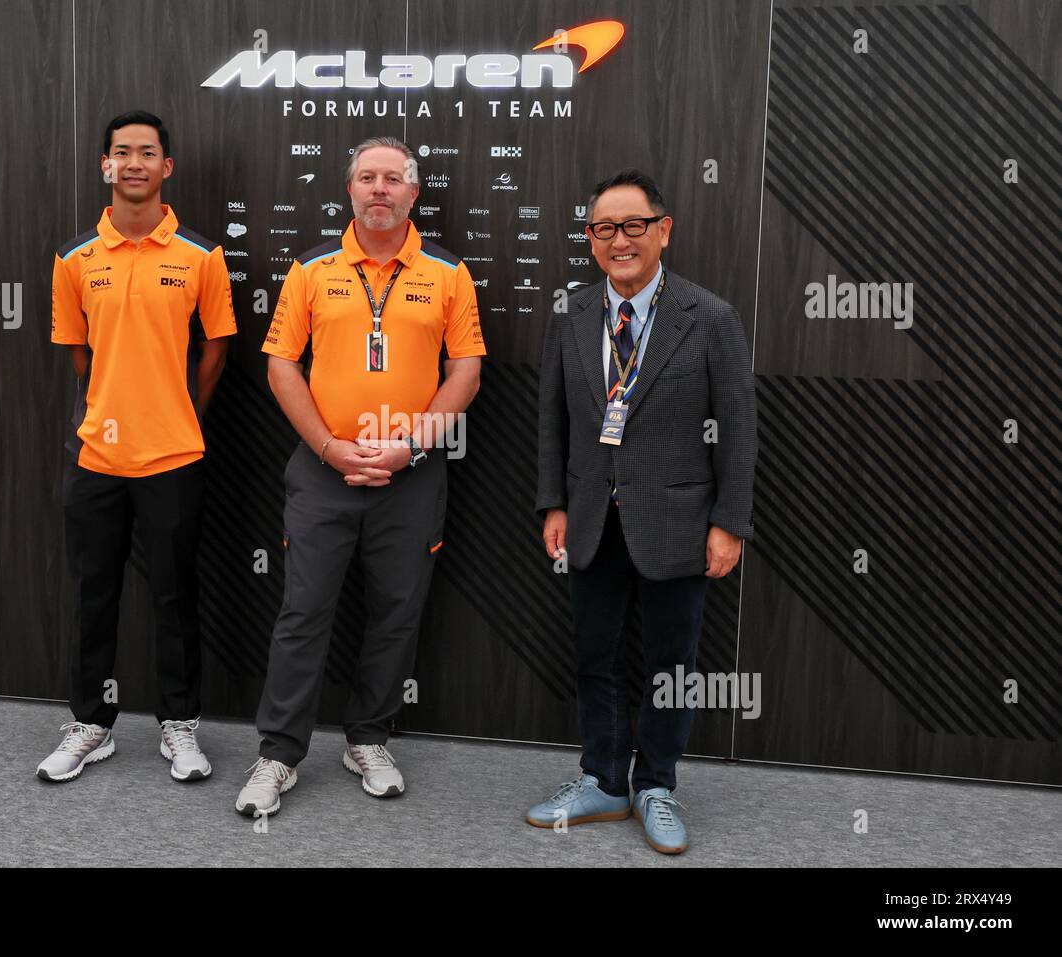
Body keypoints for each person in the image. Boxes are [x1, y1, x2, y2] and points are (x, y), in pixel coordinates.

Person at [236, 136, 485, 817]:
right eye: (367, 177)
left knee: (397, 613)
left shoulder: (448, 272)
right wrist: (327, 446)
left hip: (412, 474)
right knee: (302, 613)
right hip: (322, 473)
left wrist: (410, 446)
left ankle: (368, 737)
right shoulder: (312, 268)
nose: (380, 189)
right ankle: (279, 754)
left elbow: (465, 370)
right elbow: (280, 363)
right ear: (349, 190)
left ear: (413, 193)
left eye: (393, 179)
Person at [528, 169, 756, 853]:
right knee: (594, 658)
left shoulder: (709, 316)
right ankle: (603, 779)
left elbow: (739, 429)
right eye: (604, 228)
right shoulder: (570, 310)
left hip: (680, 524)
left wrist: (729, 522)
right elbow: (552, 420)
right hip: (592, 519)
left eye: (633, 226)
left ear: (663, 229)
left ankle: (656, 783)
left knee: (671, 662)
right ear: (591, 238)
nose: (618, 240)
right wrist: (553, 504)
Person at [38, 110, 236, 783]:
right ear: (105, 165)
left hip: (175, 456)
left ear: (166, 167)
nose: (134, 164)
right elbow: (78, 356)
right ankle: (91, 723)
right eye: (121, 152)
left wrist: (175, 411)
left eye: (147, 153)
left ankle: (179, 726)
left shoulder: (201, 256)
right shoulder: (73, 258)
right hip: (95, 457)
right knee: (95, 593)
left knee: (176, 596)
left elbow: (215, 350)